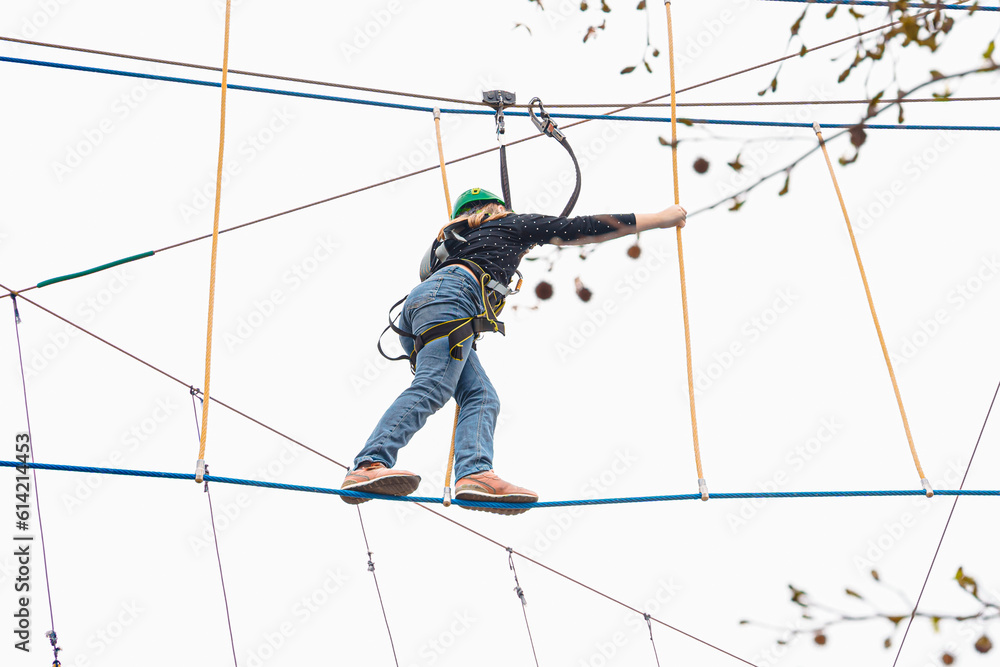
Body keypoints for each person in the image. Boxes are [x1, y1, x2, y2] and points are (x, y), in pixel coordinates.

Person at [342, 187, 687, 515]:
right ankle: (370, 463)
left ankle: (474, 473)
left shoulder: (450, 239)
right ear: (497, 209)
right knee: (434, 385)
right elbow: (578, 228)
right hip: (451, 300)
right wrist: (658, 218)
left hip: (420, 311)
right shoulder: (511, 223)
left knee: (481, 396)